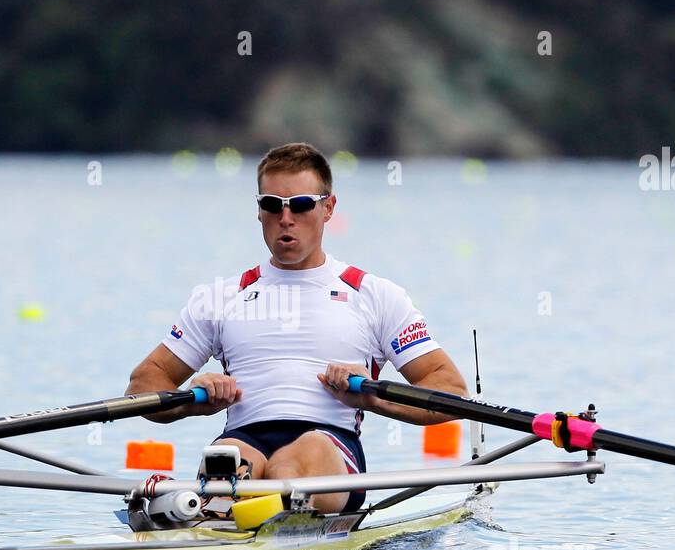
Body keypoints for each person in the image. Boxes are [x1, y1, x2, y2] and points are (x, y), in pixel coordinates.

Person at [126, 142, 467, 513]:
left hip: (329, 447)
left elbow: (451, 390)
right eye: (272, 205)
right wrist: (194, 401)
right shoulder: (219, 298)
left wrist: (372, 398)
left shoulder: (376, 296)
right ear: (259, 211)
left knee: (300, 453)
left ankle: (238, 511)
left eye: (301, 204)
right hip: (244, 441)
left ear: (328, 208)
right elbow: (142, 386)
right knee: (231, 455)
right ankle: (228, 518)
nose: (285, 218)